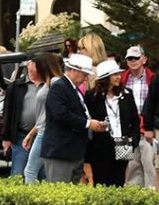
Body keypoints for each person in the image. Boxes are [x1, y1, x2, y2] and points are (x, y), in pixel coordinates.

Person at [40, 53, 108, 183]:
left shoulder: (72, 88)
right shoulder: (59, 87)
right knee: (60, 195)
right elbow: (61, 114)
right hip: (60, 152)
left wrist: (92, 123)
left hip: (73, 152)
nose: (86, 78)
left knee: (71, 195)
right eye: (84, 74)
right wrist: (88, 124)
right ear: (72, 70)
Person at [85, 60, 139, 187]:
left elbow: (135, 120)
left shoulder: (127, 94)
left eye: (119, 74)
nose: (119, 77)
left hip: (124, 142)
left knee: (119, 181)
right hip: (101, 145)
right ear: (105, 78)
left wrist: (133, 140)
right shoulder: (92, 96)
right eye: (115, 75)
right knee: (101, 183)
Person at [22, 53, 64, 184]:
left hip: (46, 132)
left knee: (30, 171)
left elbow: (51, 114)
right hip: (42, 130)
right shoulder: (48, 83)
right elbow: (43, 116)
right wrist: (31, 134)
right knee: (44, 171)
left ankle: (33, 200)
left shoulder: (54, 82)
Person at [1, 59, 44, 178]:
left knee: (42, 174)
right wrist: (6, 137)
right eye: (32, 63)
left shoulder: (48, 84)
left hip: (43, 135)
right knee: (18, 173)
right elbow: (7, 112)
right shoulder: (16, 86)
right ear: (28, 65)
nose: (34, 66)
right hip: (21, 135)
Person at [122, 45, 154, 188]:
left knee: (150, 167)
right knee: (128, 168)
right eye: (130, 58)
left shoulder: (153, 78)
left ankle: (151, 204)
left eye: (136, 57)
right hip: (125, 131)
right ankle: (132, 204)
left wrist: (150, 126)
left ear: (144, 59)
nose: (133, 60)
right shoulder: (121, 78)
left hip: (147, 130)